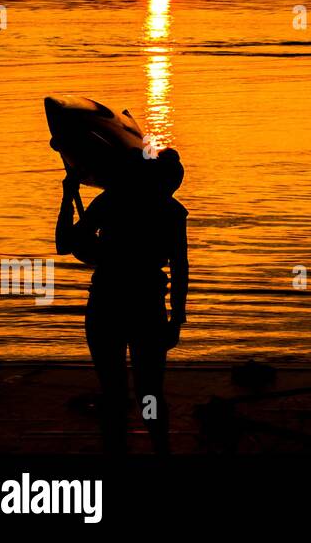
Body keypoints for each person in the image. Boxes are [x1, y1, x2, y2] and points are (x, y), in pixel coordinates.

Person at [55, 149, 189, 454]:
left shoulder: (111, 201)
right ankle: (158, 446)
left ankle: (126, 447)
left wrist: (68, 195)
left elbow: (65, 243)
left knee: (115, 393)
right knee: (149, 393)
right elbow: (180, 269)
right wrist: (177, 318)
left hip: (108, 306)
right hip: (143, 308)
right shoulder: (170, 211)